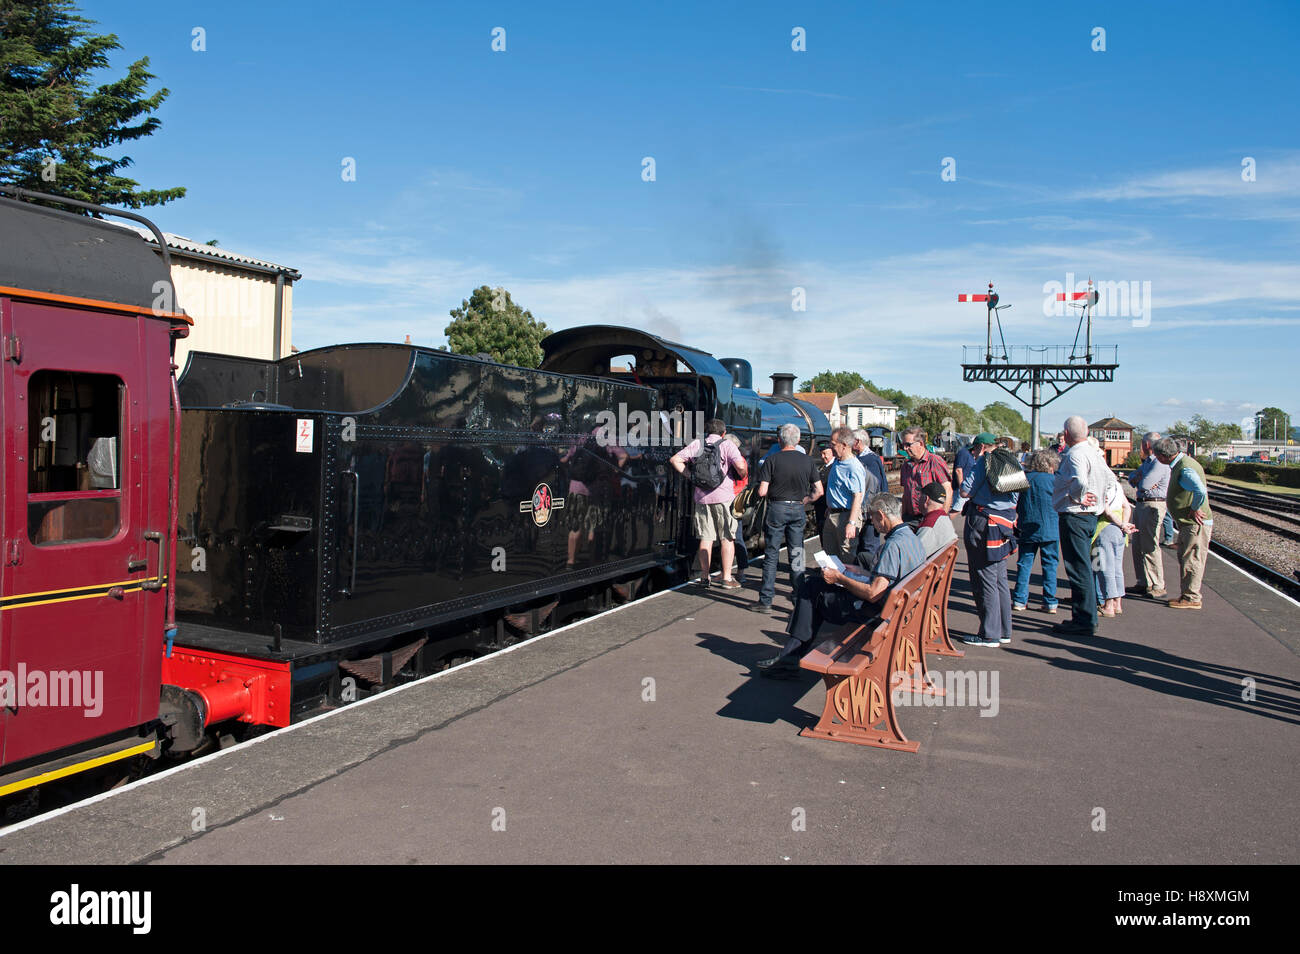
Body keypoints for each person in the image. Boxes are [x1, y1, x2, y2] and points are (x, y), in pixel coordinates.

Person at [755, 494, 925, 676]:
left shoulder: (892, 545)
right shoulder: (911, 538)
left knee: (812, 589)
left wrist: (839, 578)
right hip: (901, 610)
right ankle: (791, 655)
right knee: (816, 586)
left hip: (877, 615)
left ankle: (790, 656)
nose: (872, 524)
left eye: (872, 519)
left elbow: (873, 592)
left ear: (881, 516)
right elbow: (887, 580)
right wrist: (858, 572)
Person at [750, 423, 823, 614]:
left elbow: (762, 490)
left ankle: (766, 600)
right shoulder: (808, 461)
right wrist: (805, 499)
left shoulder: (772, 460)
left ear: (779, 440)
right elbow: (819, 491)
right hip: (798, 508)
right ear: (798, 440)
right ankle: (799, 595)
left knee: (772, 553)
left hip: (777, 508)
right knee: (797, 552)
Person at [669, 418, 747, 589]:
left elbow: (675, 460)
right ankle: (726, 578)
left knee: (706, 538)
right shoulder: (727, 445)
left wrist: (691, 476)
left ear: (707, 431)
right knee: (727, 538)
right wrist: (741, 474)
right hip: (724, 498)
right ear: (723, 432)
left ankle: (705, 577)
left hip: (702, 498)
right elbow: (741, 465)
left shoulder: (697, 444)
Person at [959, 438, 1020, 645]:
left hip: (983, 522)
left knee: (983, 578)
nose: (974, 454)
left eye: (975, 450)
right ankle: (1004, 630)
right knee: (1000, 579)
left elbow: (965, 491)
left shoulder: (983, 461)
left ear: (982, 447)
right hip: (1005, 524)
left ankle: (989, 633)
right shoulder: (1011, 460)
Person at [1053, 416, 1109, 635]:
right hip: (1089, 517)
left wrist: (1078, 497)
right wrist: (1100, 501)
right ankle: (1085, 616)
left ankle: (1084, 619)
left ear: (1066, 433)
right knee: (1083, 566)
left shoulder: (1075, 454)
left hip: (1075, 515)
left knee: (1078, 568)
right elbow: (1110, 480)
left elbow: (1080, 481)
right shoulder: (1094, 454)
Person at [1152, 437, 1213, 609]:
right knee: (1188, 558)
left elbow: (1200, 490)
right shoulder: (1183, 463)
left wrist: (1195, 507)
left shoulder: (1185, 468)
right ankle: (1187, 595)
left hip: (1194, 523)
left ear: (1162, 456)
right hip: (1187, 523)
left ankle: (1192, 597)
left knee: (1192, 559)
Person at [1013, 449, 1061, 614]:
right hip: (1051, 527)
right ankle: (1050, 602)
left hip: (1027, 525)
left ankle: (1019, 600)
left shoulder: (1024, 478)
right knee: (1050, 565)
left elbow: (1016, 502)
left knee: (1024, 564)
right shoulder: (1055, 480)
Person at [1126, 431, 1171, 598]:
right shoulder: (1149, 462)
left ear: (1146, 445)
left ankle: (1157, 584)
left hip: (1153, 504)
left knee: (1150, 546)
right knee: (1138, 545)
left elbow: (1143, 483)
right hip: (1142, 503)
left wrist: (1140, 479)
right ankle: (1143, 582)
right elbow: (1132, 478)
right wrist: (1139, 479)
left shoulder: (1159, 463)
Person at [821, 426, 868, 563]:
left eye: (834, 444)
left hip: (846, 516)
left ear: (844, 445)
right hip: (832, 514)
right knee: (830, 555)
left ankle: (846, 583)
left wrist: (851, 523)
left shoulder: (853, 467)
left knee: (846, 555)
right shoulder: (837, 462)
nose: (831, 447)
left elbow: (857, 496)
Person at [1093, 474, 1136, 617]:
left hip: (1104, 528)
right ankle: (1118, 603)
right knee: (1117, 568)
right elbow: (1127, 507)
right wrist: (1124, 525)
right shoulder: (1118, 486)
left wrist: (1122, 524)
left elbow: (1107, 512)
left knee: (1105, 568)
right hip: (1119, 533)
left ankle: (1108, 605)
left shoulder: (1102, 487)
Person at [899, 426, 951, 524]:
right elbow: (905, 494)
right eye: (904, 445)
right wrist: (903, 518)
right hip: (910, 518)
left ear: (921, 444)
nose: (905, 448)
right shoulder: (906, 466)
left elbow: (947, 489)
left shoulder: (935, 461)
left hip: (929, 518)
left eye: (908, 445)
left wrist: (942, 518)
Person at [725, 433, 751, 581]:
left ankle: (741, 571)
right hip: (731, 500)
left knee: (736, 537)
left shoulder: (738, 461)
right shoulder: (738, 460)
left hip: (733, 502)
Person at [915, 481, 956, 556]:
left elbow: (915, 555)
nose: (918, 499)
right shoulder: (944, 517)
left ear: (926, 500)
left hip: (928, 566)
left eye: (920, 496)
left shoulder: (929, 525)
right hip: (938, 565)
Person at [951, 437, 983, 515]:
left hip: (966, 487)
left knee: (965, 509)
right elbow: (958, 470)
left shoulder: (969, 454)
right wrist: (961, 486)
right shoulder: (964, 453)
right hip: (961, 487)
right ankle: (944, 525)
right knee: (957, 509)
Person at [851, 429, 888, 496]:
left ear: (857, 442)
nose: (849, 443)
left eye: (851, 441)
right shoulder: (858, 457)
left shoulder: (871, 459)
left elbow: (874, 485)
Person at [813, 443, 834, 531]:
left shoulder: (835, 467)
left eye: (825, 453)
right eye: (821, 454)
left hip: (827, 507)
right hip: (820, 506)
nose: (822, 456)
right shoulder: (823, 467)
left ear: (832, 452)